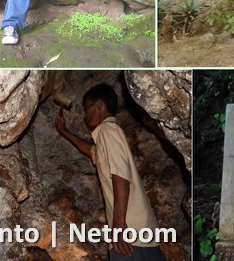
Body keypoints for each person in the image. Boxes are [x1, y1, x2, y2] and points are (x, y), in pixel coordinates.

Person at [55, 84, 166, 260]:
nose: (85, 116)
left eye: (87, 108)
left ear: (99, 105)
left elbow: (120, 176)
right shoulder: (109, 135)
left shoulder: (108, 131)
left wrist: (119, 225)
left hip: (129, 233)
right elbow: (92, 150)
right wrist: (64, 132)